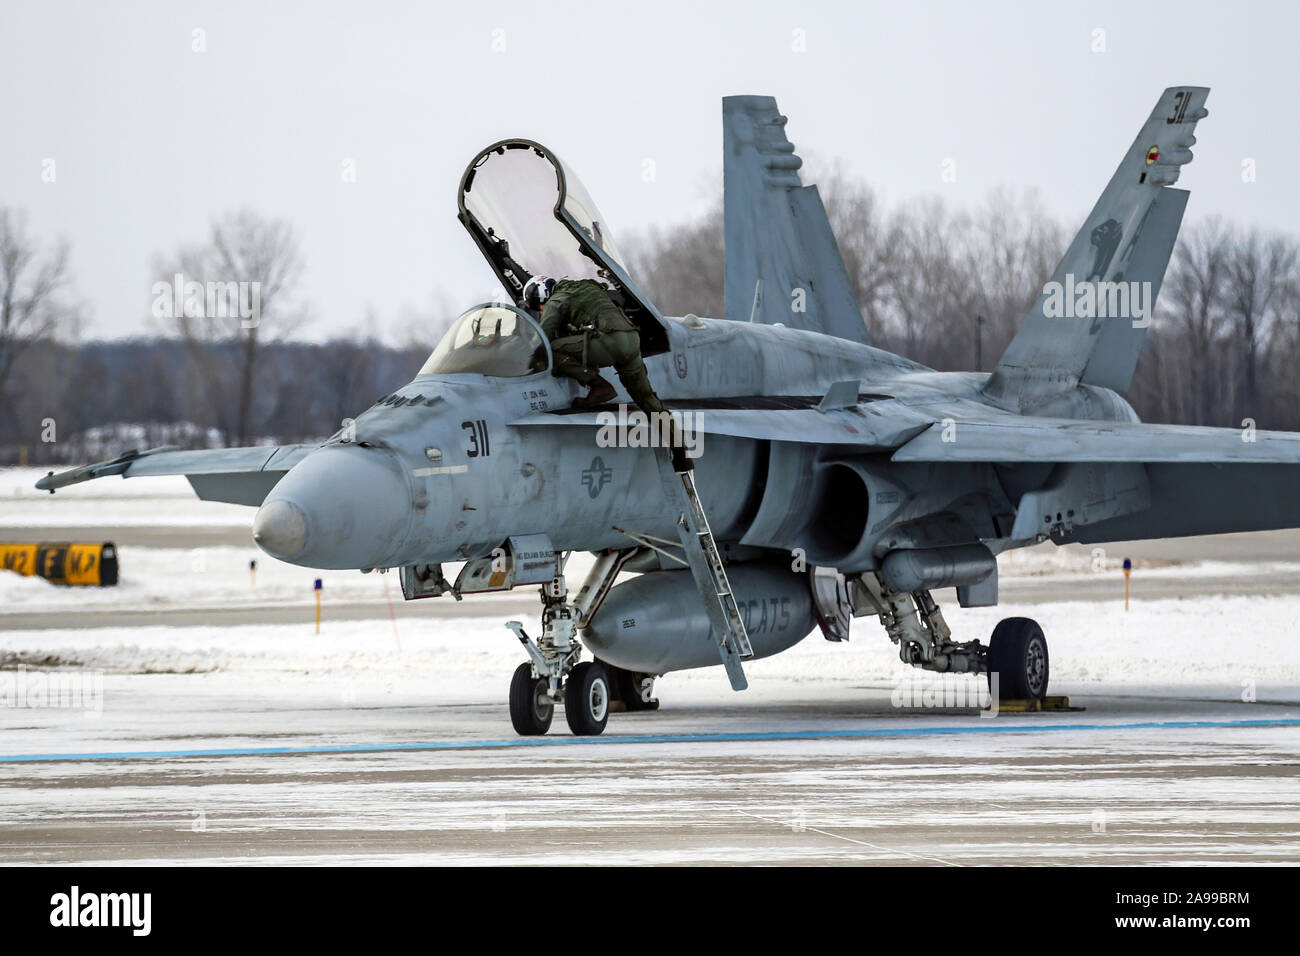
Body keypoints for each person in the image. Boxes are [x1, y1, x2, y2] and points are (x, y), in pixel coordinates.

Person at [523, 274, 689, 470]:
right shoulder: (588, 286)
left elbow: (543, 341)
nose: (541, 310)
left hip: (609, 341)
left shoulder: (556, 300)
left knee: (552, 350)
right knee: (648, 400)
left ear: (543, 296)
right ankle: (681, 452)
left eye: (539, 306)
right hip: (631, 339)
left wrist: (530, 364)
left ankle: (599, 385)